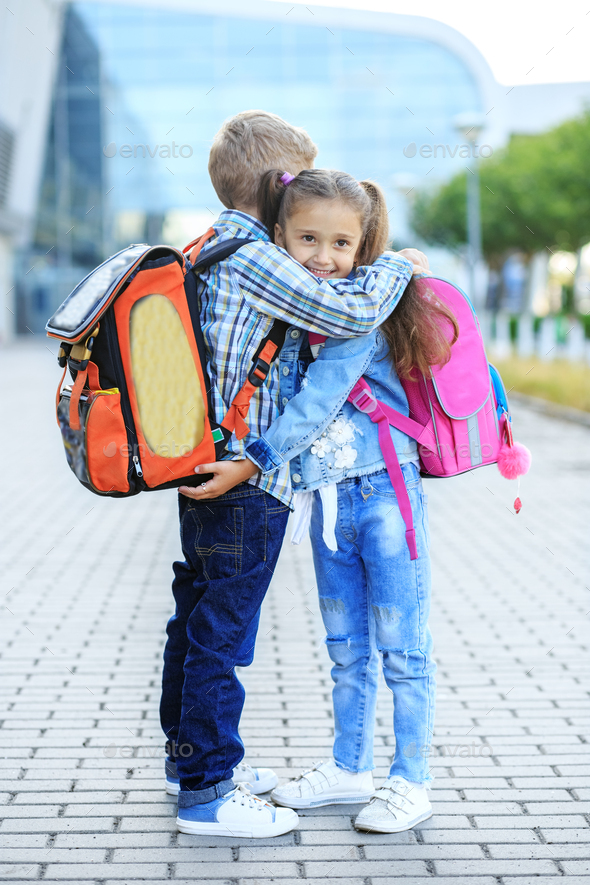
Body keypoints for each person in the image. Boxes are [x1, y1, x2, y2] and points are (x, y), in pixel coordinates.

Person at [158, 111, 421, 838]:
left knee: (196, 616)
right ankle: (209, 793)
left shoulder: (207, 244)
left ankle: (192, 760)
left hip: (203, 464)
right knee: (222, 631)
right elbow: (351, 307)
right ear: (279, 189)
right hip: (247, 477)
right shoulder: (256, 255)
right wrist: (397, 261)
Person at [236, 168, 459, 833]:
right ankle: (348, 766)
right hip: (328, 499)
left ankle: (411, 780)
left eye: (341, 243)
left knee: (402, 646)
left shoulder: (361, 306)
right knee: (345, 646)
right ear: (281, 235)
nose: (325, 257)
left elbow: (320, 396)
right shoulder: (299, 308)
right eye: (309, 238)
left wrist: (255, 457)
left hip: (387, 495)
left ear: (362, 247)